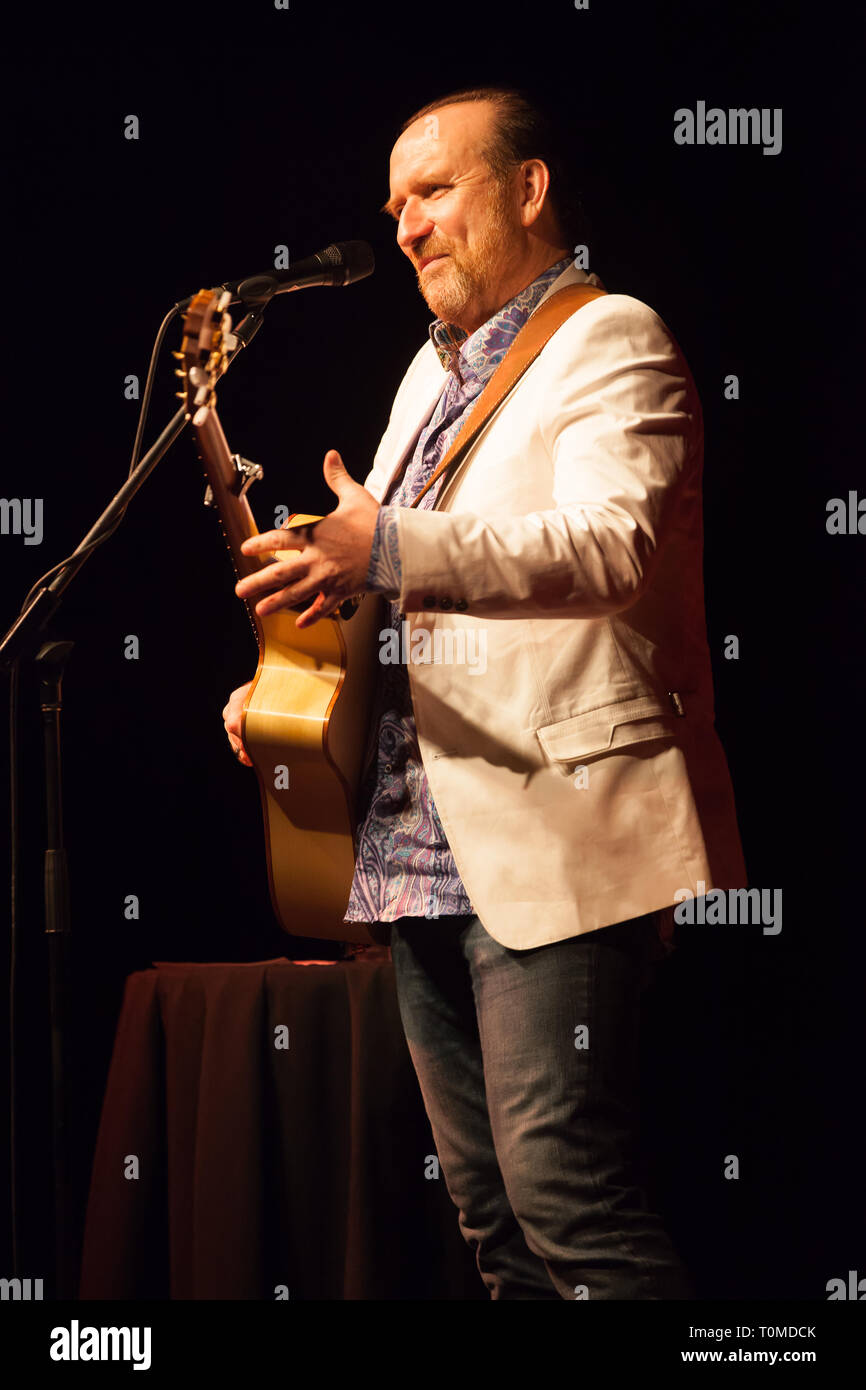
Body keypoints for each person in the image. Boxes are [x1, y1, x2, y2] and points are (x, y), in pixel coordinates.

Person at [222, 86, 747, 1300]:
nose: (404, 224)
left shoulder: (609, 334)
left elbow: (608, 546)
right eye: (394, 202)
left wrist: (385, 550)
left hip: (551, 819)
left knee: (569, 1202)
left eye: (434, 189)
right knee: (489, 1227)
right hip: (416, 841)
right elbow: (392, 585)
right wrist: (287, 688)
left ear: (526, 187)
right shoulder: (425, 374)